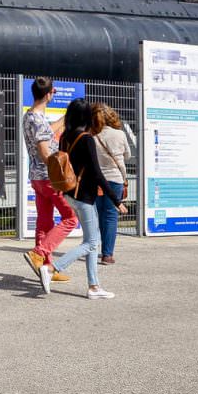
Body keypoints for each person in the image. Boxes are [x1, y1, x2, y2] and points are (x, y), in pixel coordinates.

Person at [42, 101, 119, 299]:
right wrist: (116, 200)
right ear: (87, 117)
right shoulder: (87, 139)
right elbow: (96, 172)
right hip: (84, 196)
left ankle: (94, 286)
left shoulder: (65, 137)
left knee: (91, 240)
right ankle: (52, 269)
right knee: (92, 242)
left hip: (69, 194)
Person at [20, 77, 80, 280]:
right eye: (52, 92)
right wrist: (60, 175)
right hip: (49, 178)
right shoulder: (37, 120)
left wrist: (65, 118)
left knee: (44, 222)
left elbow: (47, 131)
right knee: (71, 218)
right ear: (48, 94)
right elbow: (45, 153)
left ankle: (46, 268)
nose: (53, 94)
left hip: (37, 178)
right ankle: (39, 253)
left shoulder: (31, 116)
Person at [94, 106, 132, 265]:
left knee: (99, 215)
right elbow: (128, 155)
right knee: (110, 216)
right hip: (115, 179)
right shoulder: (120, 134)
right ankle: (107, 254)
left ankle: (100, 249)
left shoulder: (92, 135)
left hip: (96, 180)